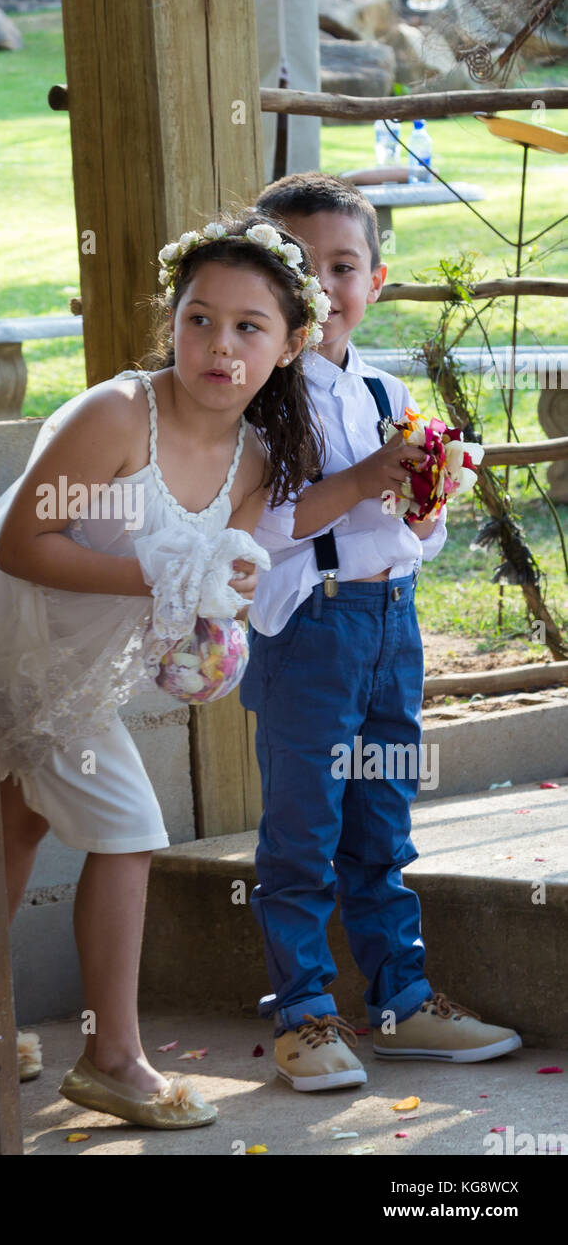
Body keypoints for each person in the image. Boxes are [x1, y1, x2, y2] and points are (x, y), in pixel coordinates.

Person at [0, 211, 328, 1127]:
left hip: (84, 660)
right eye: (199, 319)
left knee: (14, 825)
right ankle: (114, 1058)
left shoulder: (256, 456)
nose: (219, 345)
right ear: (170, 322)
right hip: (7, 638)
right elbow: (21, 544)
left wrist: (222, 610)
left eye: (249, 327)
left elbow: (226, 571)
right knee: (129, 827)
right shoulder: (114, 415)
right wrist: (162, 575)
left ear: (291, 345)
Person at [241, 172, 522, 1092]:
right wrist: (363, 480)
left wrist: (426, 496)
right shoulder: (260, 399)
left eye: (343, 265)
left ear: (377, 279)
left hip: (391, 629)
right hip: (311, 634)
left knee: (382, 822)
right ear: (268, 281)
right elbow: (260, 525)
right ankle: (305, 1016)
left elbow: (416, 534)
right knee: (302, 833)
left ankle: (401, 1001)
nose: (324, 286)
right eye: (301, 266)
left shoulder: (384, 387)